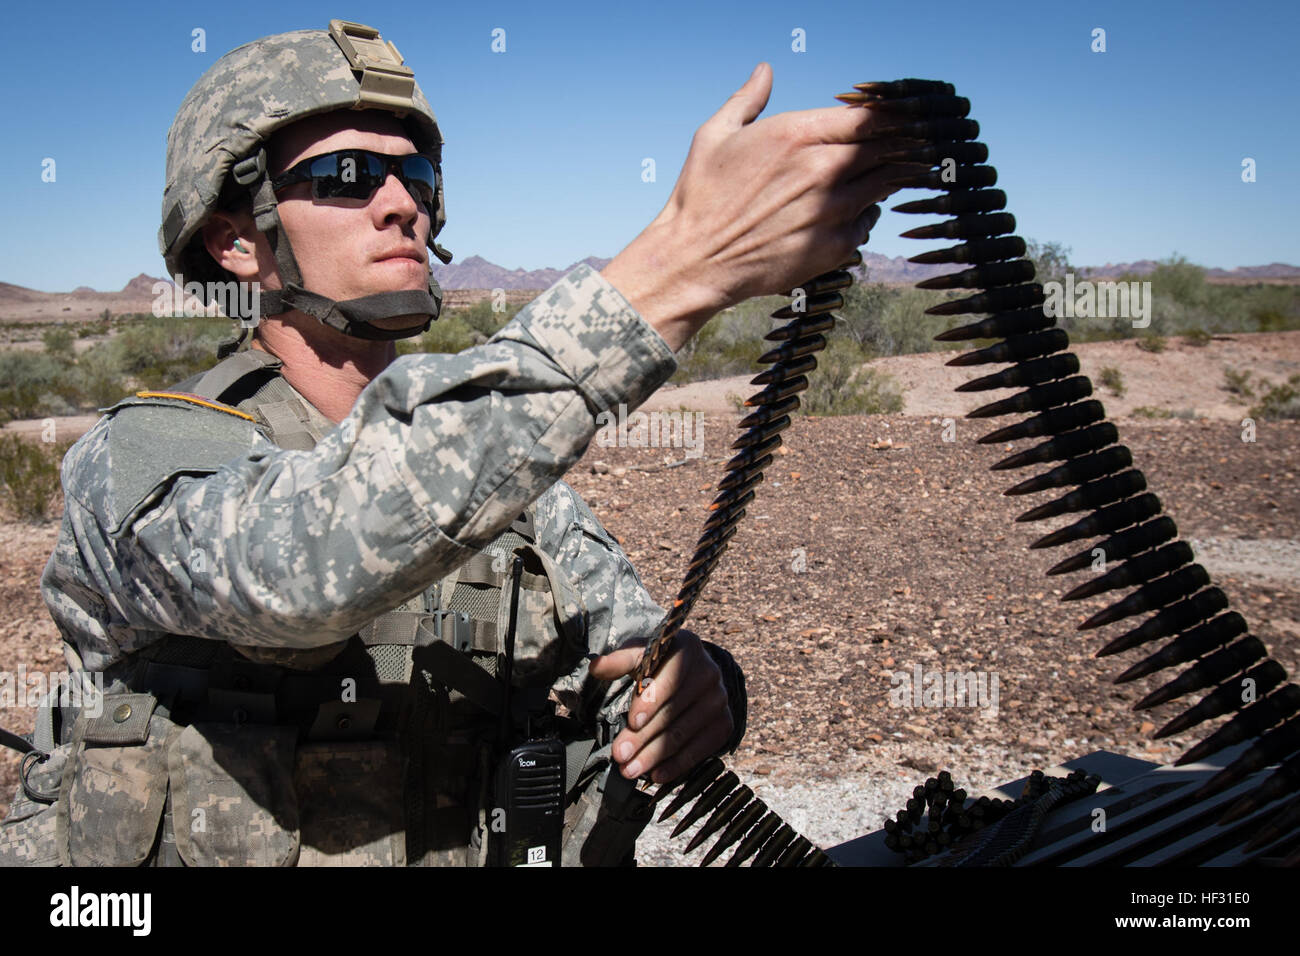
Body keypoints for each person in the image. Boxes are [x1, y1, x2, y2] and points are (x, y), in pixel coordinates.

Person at [0, 20, 906, 866]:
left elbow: (629, 651)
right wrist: (682, 265)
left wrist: (700, 686)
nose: (403, 206)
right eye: (349, 175)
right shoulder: (143, 455)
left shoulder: (510, 484)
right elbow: (301, 568)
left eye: (418, 177)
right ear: (237, 242)